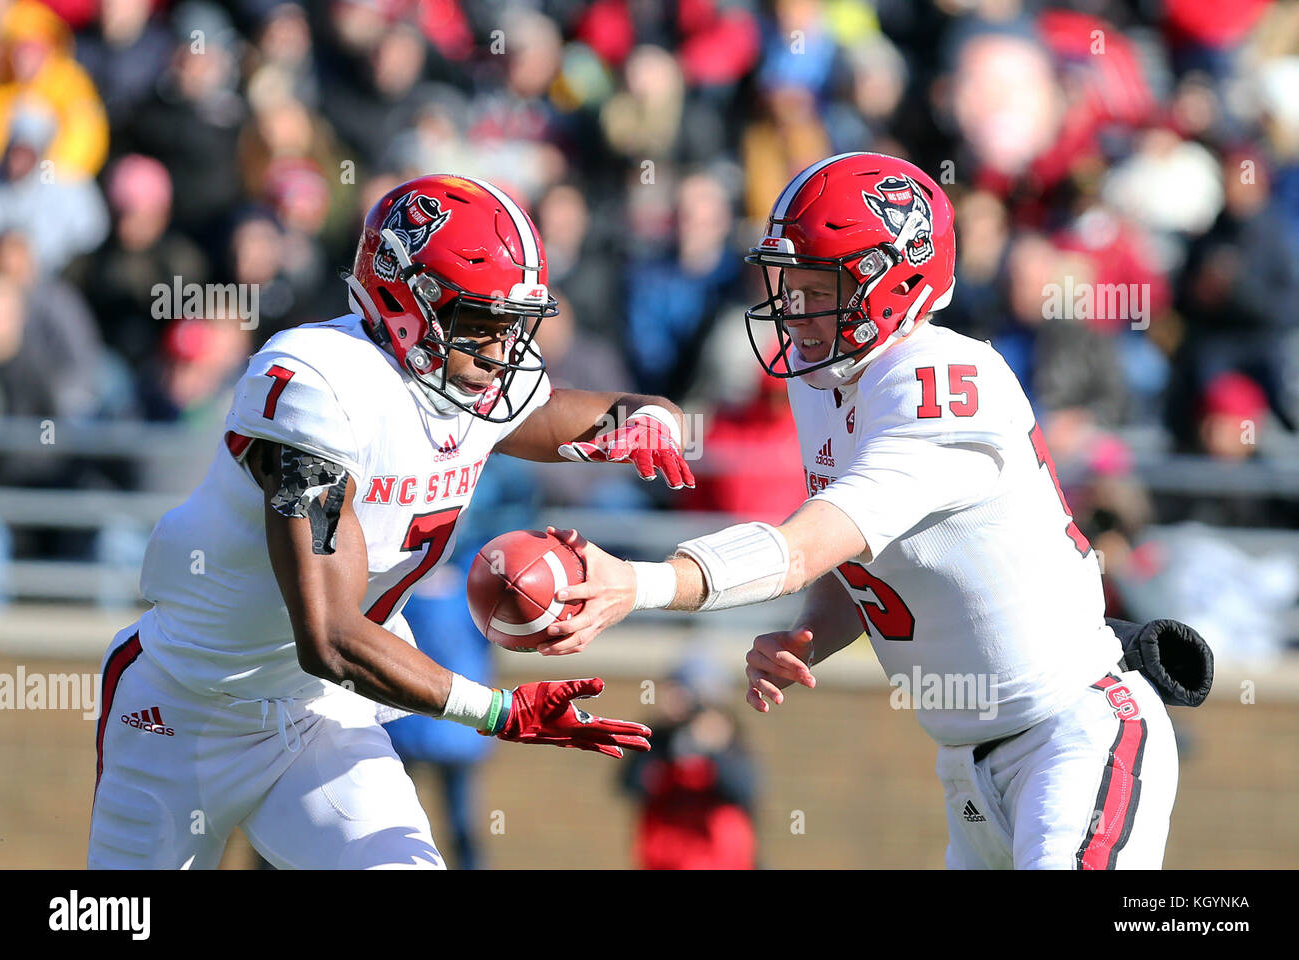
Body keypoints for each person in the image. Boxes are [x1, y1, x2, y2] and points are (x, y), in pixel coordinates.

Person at [542, 152, 1198, 870]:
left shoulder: (943, 382)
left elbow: (799, 548)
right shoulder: (826, 377)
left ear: (893, 279)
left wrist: (637, 584)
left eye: (817, 286)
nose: (793, 307)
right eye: (787, 283)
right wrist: (812, 633)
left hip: (1071, 734)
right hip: (967, 765)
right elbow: (858, 550)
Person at [87, 173, 700, 870]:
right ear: (403, 301)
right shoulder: (315, 386)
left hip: (325, 717)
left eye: (512, 325)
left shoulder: (472, 372)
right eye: (480, 322)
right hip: (186, 707)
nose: (502, 352)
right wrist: (498, 712)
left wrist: (647, 416)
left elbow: (560, 410)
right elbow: (331, 634)